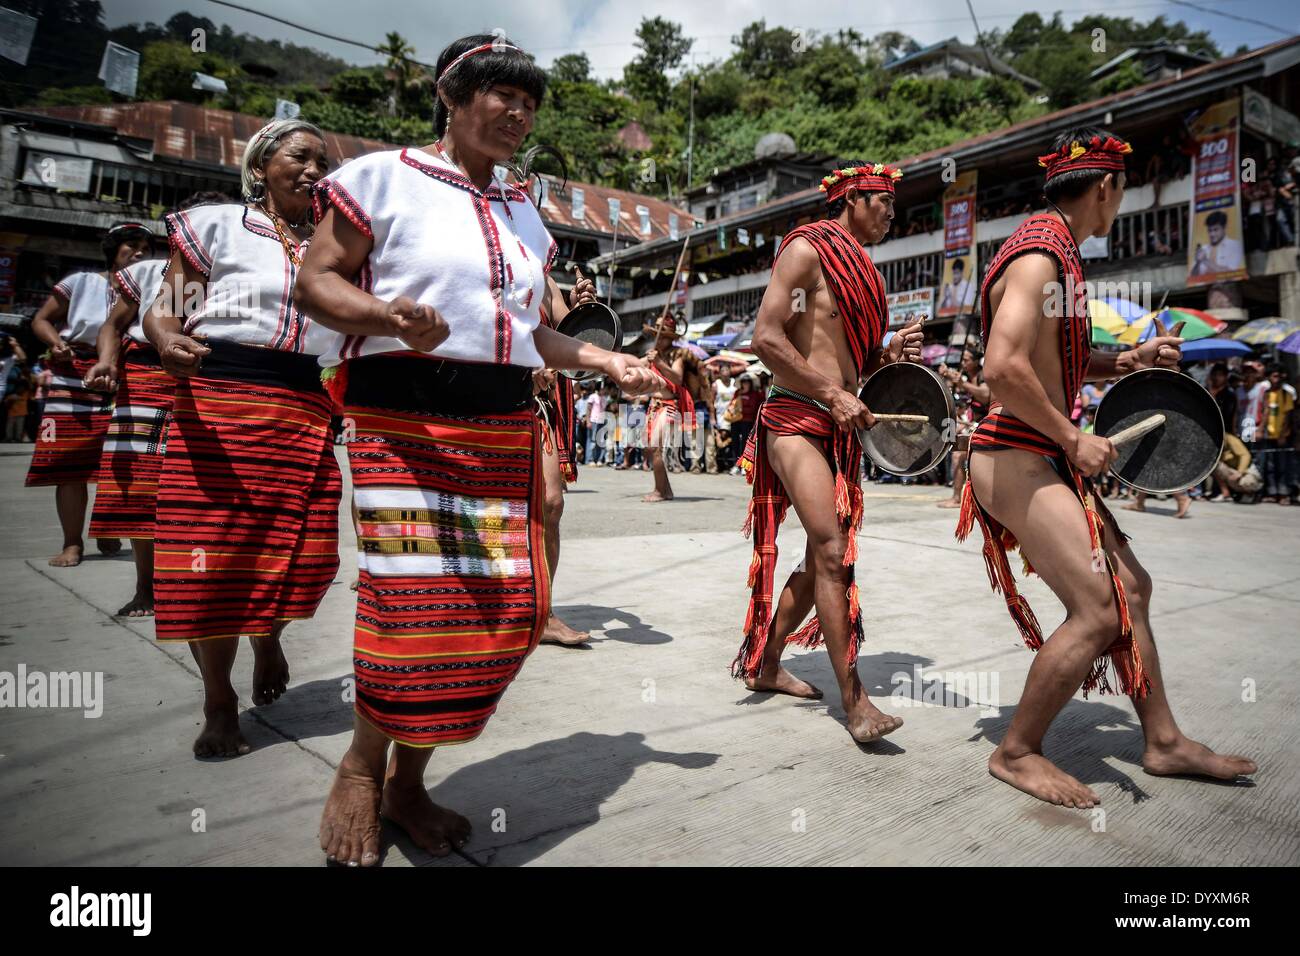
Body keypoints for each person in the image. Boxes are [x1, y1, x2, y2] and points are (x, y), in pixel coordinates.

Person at [296, 34, 657, 867]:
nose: (518, 111)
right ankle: (362, 765)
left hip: (499, 428)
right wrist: (389, 317)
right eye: (499, 94)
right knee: (411, 608)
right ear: (451, 99)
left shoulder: (524, 213)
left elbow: (529, 332)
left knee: (498, 616)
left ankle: (407, 781)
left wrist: (604, 359)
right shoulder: (375, 179)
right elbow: (318, 280)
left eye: (528, 101)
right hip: (403, 426)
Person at [954, 127, 1255, 809]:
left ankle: (1164, 741)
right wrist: (1069, 432)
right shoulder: (1038, 255)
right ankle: (1018, 751)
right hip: (1013, 451)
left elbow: (1049, 360)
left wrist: (1128, 361)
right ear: (1106, 187)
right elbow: (1002, 368)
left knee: (1132, 589)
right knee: (1096, 609)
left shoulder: (1056, 250)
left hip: (1036, 451)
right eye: (1121, 191)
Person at [143, 119, 343, 757]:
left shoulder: (334, 248)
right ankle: (219, 701)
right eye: (300, 157)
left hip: (304, 407)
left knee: (306, 555)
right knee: (215, 564)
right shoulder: (218, 228)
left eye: (323, 162)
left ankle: (268, 634)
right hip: (219, 403)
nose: (315, 170)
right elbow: (167, 309)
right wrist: (167, 339)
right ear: (260, 167)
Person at [738, 160, 924, 743]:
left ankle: (766, 664)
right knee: (832, 548)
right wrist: (830, 394)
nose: (892, 213)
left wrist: (888, 351)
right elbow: (766, 338)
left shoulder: (867, 272)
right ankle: (856, 701)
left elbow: (854, 363)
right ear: (853, 198)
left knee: (822, 556)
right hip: (795, 417)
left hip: (840, 423)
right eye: (883, 201)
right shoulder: (806, 251)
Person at [25, 222, 151, 566]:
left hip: (128, 372)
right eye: (131, 246)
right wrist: (57, 345)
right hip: (75, 373)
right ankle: (72, 543)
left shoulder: (151, 285)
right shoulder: (79, 282)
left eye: (144, 248)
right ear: (113, 249)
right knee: (69, 463)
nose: (139, 253)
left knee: (125, 460)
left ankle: (108, 527)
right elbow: (42, 319)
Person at [535, 264, 600, 647]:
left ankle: (542, 613)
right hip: (487, 394)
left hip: (538, 402)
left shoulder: (543, 279)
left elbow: (566, 329)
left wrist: (582, 310)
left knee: (551, 504)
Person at [641, 314, 693, 502]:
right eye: (657, 335)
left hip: (669, 407)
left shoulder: (676, 355)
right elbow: (633, 365)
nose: (659, 339)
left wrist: (659, 363)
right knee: (650, 449)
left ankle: (660, 491)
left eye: (662, 335)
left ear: (669, 338)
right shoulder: (652, 354)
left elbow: (678, 379)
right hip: (653, 407)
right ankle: (667, 490)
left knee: (656, 448)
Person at [936, 347, 990, 508]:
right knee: (957, 454)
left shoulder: (983, 375)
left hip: (987, 424)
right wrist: (946, 375)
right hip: (973, 425)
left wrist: (962, 383)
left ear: (975, 361)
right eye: (963, 360)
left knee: (959, 456)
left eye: (967, 360)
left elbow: (986, 396)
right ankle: (957, 497)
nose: (964, 363)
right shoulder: (966, 376)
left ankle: (959, 498)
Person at [1259, 364, 1296, 503]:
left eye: (1278, 376)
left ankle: (1283, 493)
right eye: (1273, 375)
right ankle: (1272, 492)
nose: (1276, 378)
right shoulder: (1266, 393)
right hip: (1268, 434)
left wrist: (1283, 434)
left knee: (1282, 465)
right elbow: (1264, 412)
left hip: (1281, 435)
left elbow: (1288, 415)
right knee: (1270, 465)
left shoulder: (1286, 394)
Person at [1191, 210, 1244, 276]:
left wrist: (1205, 260)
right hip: (1205, 285)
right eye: (1210, 230)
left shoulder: (1235, 246)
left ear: (1224, 228)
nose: (1212, 234)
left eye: (1216, 230)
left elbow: (1231, 273)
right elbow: (1193, 276)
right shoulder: (1203, 249)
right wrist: (1198, 263)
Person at [712, 368, 737, 471]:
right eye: (723, 371)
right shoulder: (716, 384)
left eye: (727, 370)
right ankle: (721, 462)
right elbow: (711, 401)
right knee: (722, 436)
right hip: (720, 416)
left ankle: (730, 461)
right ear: (720, 373)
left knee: (733, 438)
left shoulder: (734, 382)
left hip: (733, 416)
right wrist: (712, 417)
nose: (726, 373)